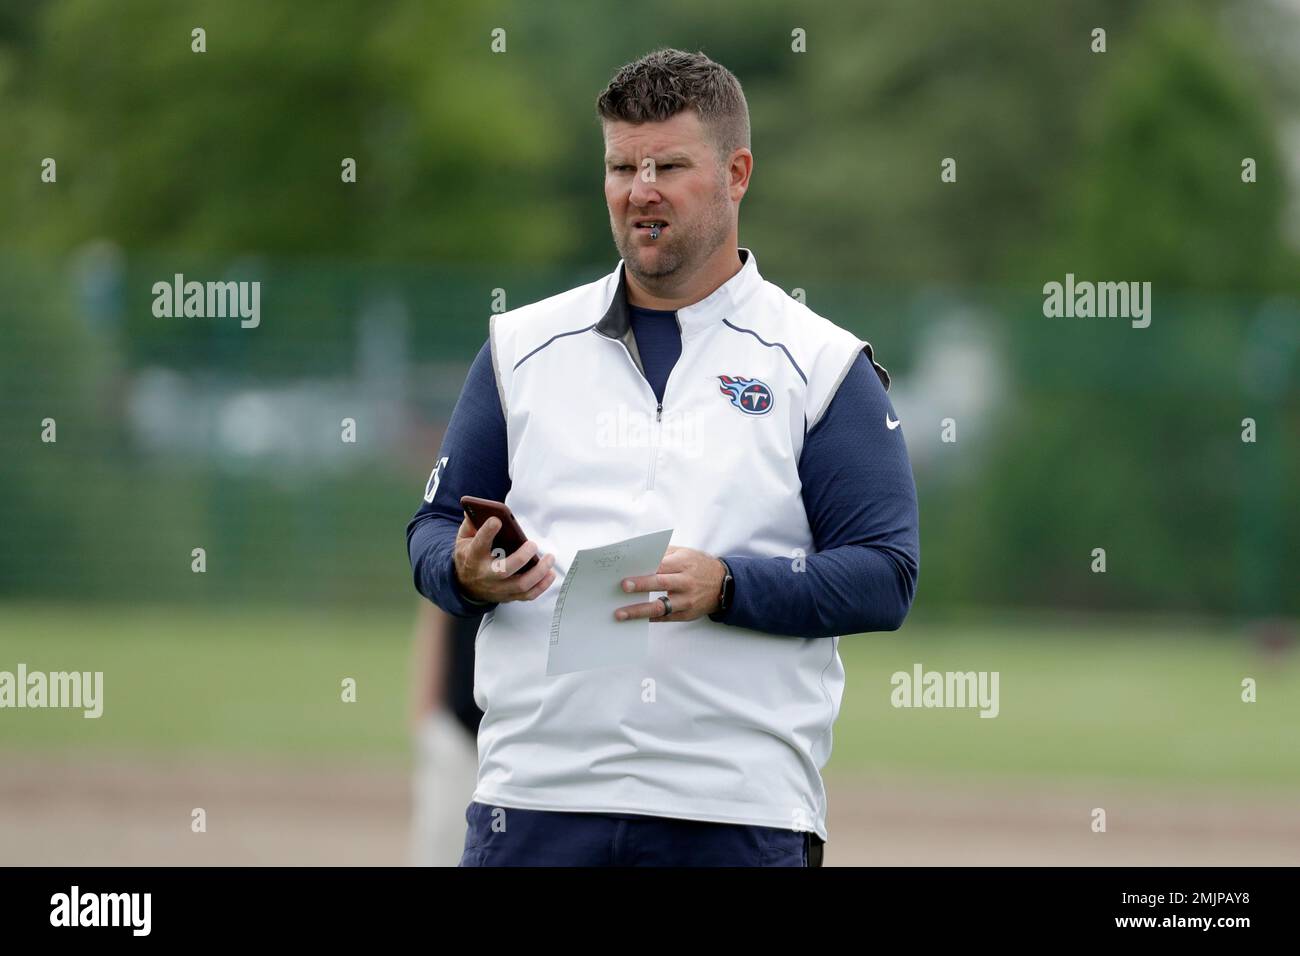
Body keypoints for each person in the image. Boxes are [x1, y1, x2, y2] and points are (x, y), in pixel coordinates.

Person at [406, 48, 919, 867]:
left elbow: (887, 573)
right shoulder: (521, 346)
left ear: (737, 172)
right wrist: (463, 572)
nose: (640, 188)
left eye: (669, 165)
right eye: (621, 166)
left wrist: (729, 585)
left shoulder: (819, 365)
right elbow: (432, 530)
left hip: (733, 808)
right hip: (533, 801)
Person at [407, 600, 483, 866]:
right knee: (443, 846)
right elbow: (436, 607)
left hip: (522, 734)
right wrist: (426, 713)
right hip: (458, 727)